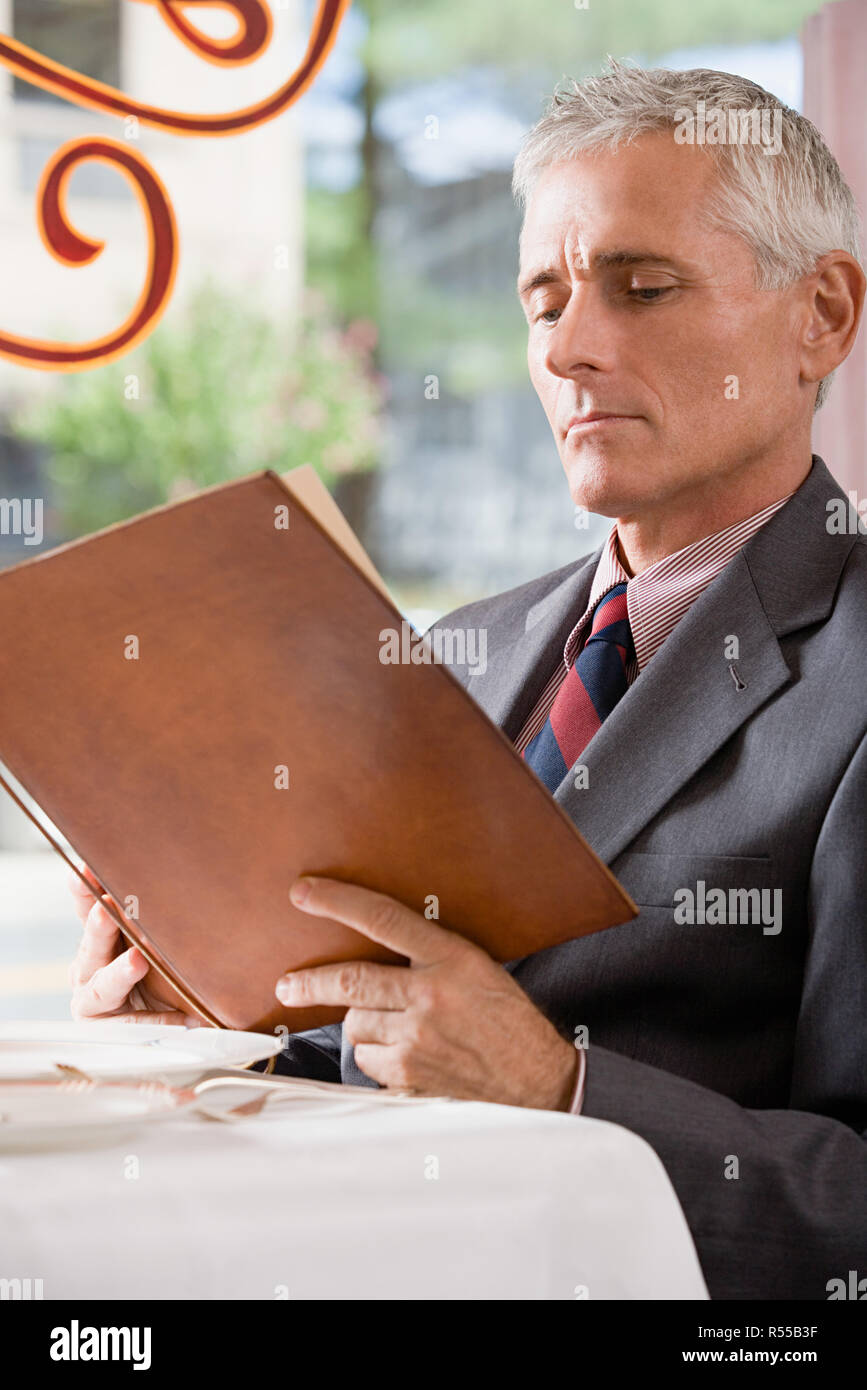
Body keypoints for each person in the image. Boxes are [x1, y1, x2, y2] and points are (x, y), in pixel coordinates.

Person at [69, 62, 867, 1301]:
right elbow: (381, 1044)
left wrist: (566, 1089)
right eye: (541, 299)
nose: (570, 346)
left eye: (641, 287)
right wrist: (209, 1034)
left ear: (822, 313)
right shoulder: (457, 652)